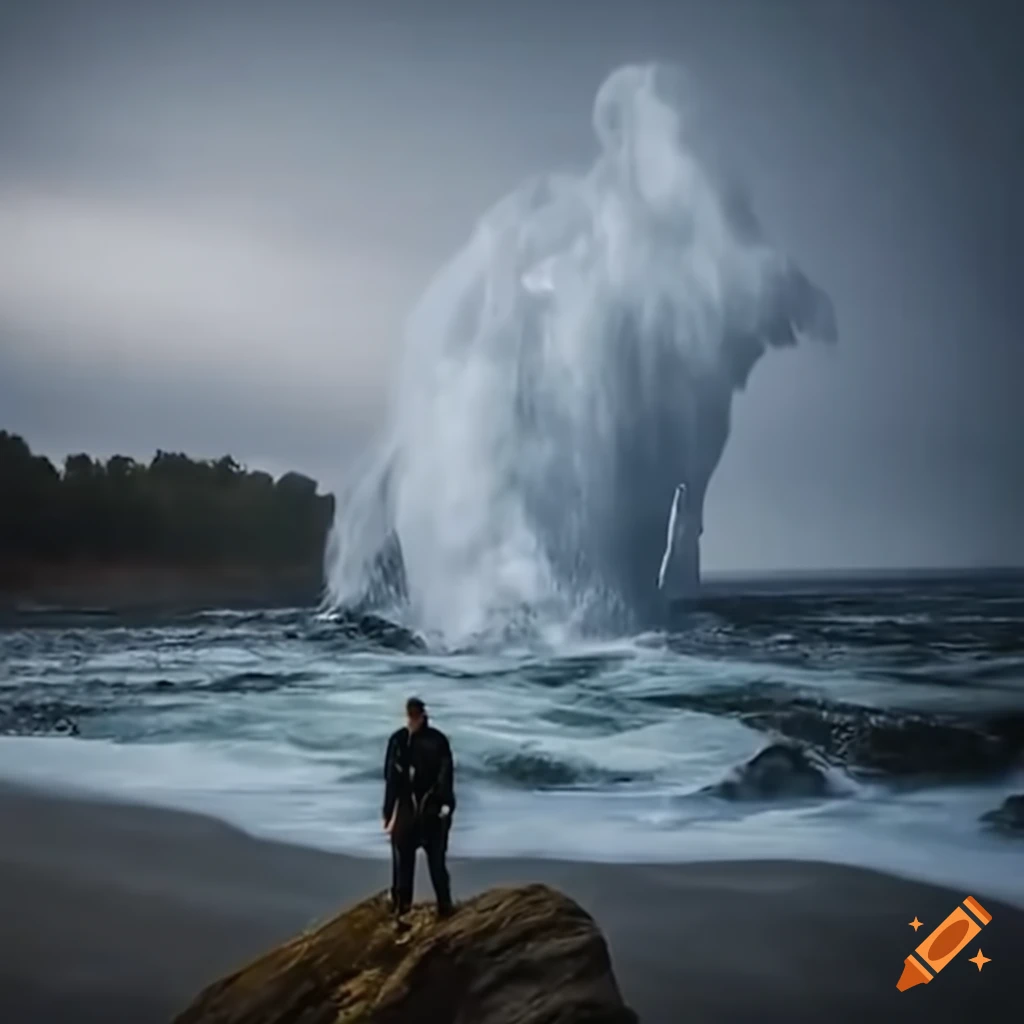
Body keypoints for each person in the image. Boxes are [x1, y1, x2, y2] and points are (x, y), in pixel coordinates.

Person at [382, 697, 456, 920]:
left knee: (413, 865)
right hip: (425, 810)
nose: (412, 719)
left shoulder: (400, 740)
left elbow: (392, 779)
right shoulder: (436, 740)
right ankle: (439, 909)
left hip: (418, 811)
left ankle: (405, 911)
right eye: (413, 715)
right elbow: (446, 778)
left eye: (413, 715)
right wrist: (447, 806)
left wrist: (387, 813)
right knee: (428, 865)